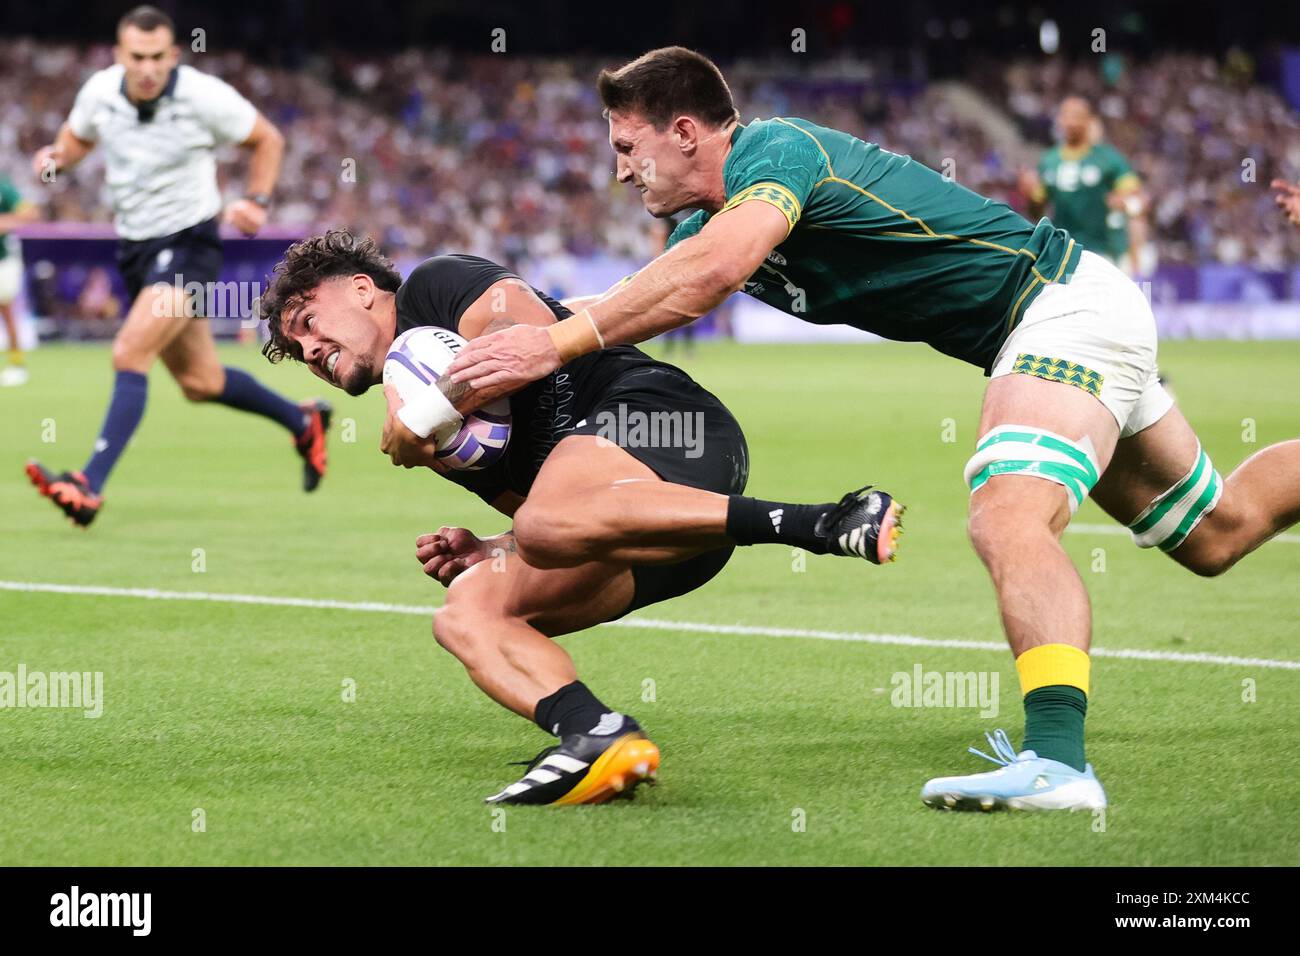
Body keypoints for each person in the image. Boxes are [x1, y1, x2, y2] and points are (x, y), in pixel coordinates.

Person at [438, 46, 1300, 812]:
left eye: (628, 147)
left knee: (1006, 514)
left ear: (689, 131)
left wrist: (549, 344)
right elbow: (618, 300)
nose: (620, 171)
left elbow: (708, 275)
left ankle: (1056, 761)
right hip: (1056, 324)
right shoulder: (705, 226)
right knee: (1214, 532)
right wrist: (451, 366)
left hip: (1056, 308)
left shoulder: (778, 152)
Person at [259, 229, 902, 805]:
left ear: (364, 289)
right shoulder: (417, 429)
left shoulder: (433, 290)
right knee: (466, 612)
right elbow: (537, 510)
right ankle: (596, 734)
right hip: (665, 538)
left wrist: (434, 408)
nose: (310, 349)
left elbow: (527, 327)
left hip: (665, 422)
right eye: (298, 348)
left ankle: (822, 522)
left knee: (543, 525)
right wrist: (492, 546)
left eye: (310, 322)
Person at [24, 5, 329, 527]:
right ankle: (302, 422)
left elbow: (268, 139)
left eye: (156, 58)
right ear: (120, 55)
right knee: (200, 381)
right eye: (136, 57)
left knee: (129, 351)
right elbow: (78, 138)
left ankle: (88, 483)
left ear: (173, 55)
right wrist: (56, 156)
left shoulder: (203, 96)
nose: (146, 68)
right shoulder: (100, 92)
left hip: (190, 244)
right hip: (137, 249)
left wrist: (256, 199)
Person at [1019, 97, 1147, 274]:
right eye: (1066, 116)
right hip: (1064, 256)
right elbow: (1037, 212)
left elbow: (1139, 202)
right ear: (1059, 120)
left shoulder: (1108, 159)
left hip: (1105, 254)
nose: (1071, 122)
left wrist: (1127, 204)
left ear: (1089, 121)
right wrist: (1031, 195)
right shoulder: (1049, 161)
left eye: (1077, 116)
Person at [0, 172, 38, 386]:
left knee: (6, 311)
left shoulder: (4, 189)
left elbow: (30, 213)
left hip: (3, 260)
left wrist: (4, 222)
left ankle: (17, 365)